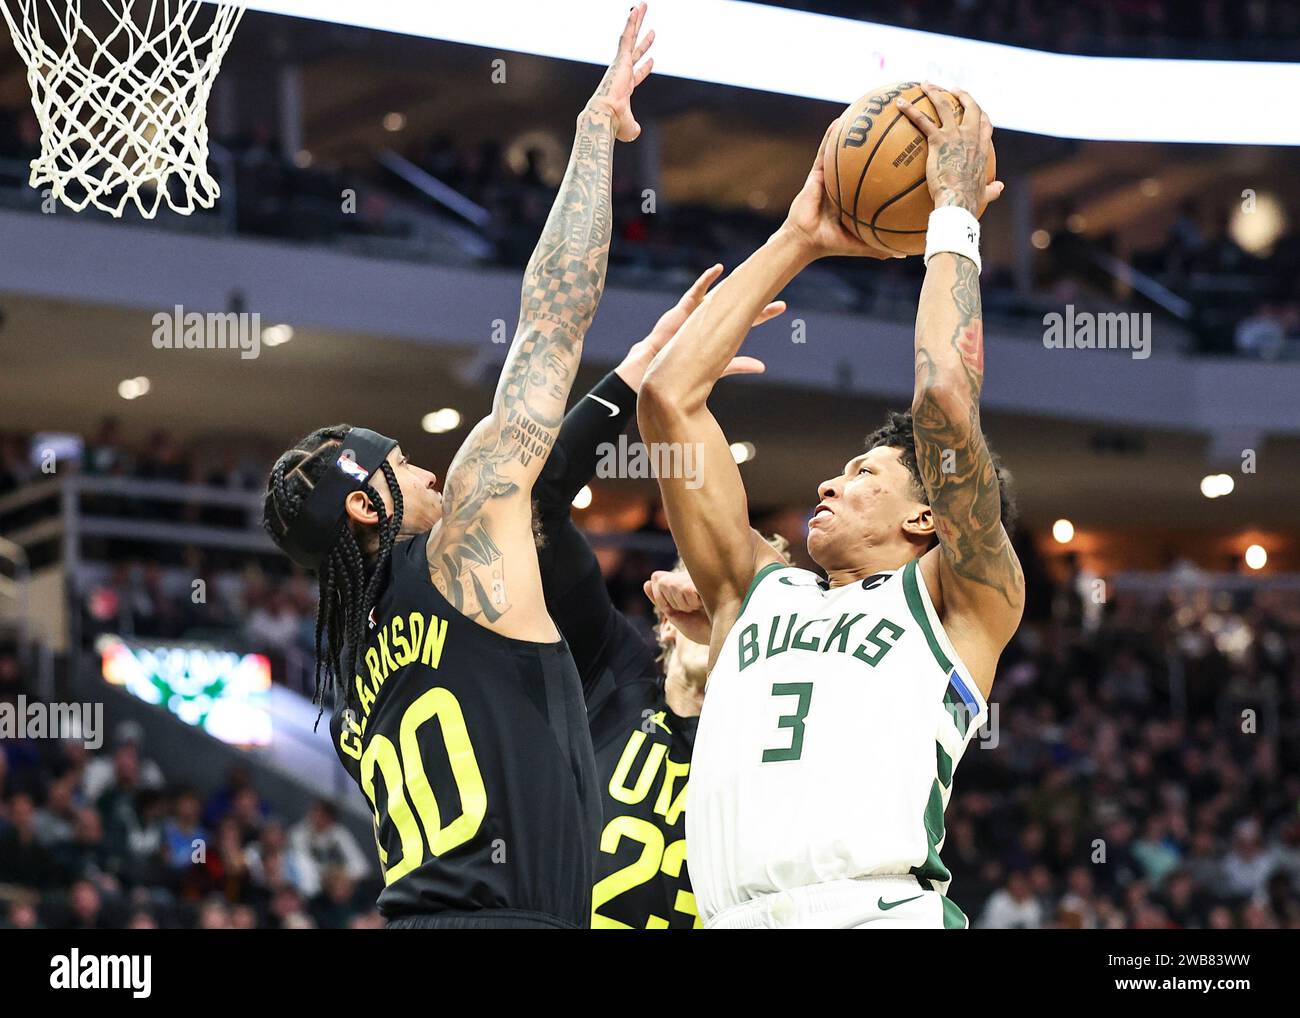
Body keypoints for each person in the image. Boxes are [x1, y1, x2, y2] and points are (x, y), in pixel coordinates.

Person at [260, 5, 654, 929]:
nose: (430, 470)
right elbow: (552, 320)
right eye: (400, 462)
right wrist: (595, 132)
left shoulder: (353, 667)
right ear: (365, 504)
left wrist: (632, 381)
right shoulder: (460, 549)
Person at [637, 85, 1023, 928]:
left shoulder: (959, 600)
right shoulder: (753, 590)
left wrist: (953, 217)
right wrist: (799, 237)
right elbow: (669, 399)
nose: (827, 484)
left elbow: (945, 402)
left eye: (863, 473)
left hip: (876, 914)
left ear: (926, 519)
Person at [531, 266, 783, 927]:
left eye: (756, 590)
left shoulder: (787, 733)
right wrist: (639, 373)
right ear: (670, 614)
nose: (732, 594)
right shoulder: (609, 670)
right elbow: (533, 509)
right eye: (719, 578)